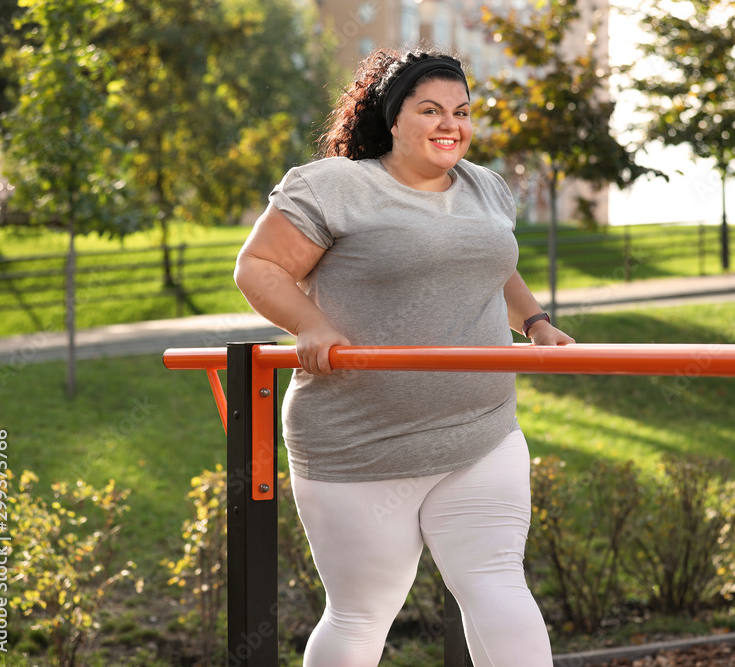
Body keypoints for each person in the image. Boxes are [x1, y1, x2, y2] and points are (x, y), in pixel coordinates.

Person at [234, 47, 574, 666]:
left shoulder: (486, 188)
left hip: (482, 430)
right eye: (431, 110)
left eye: (462, 111)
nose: (452, 125)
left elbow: (494, 266)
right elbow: (257, 266)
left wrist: (535, 321)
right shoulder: (336, 186)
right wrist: (310, 323)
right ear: (394, 119)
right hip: (361, 439)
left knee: (497, 582)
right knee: (364, 612)